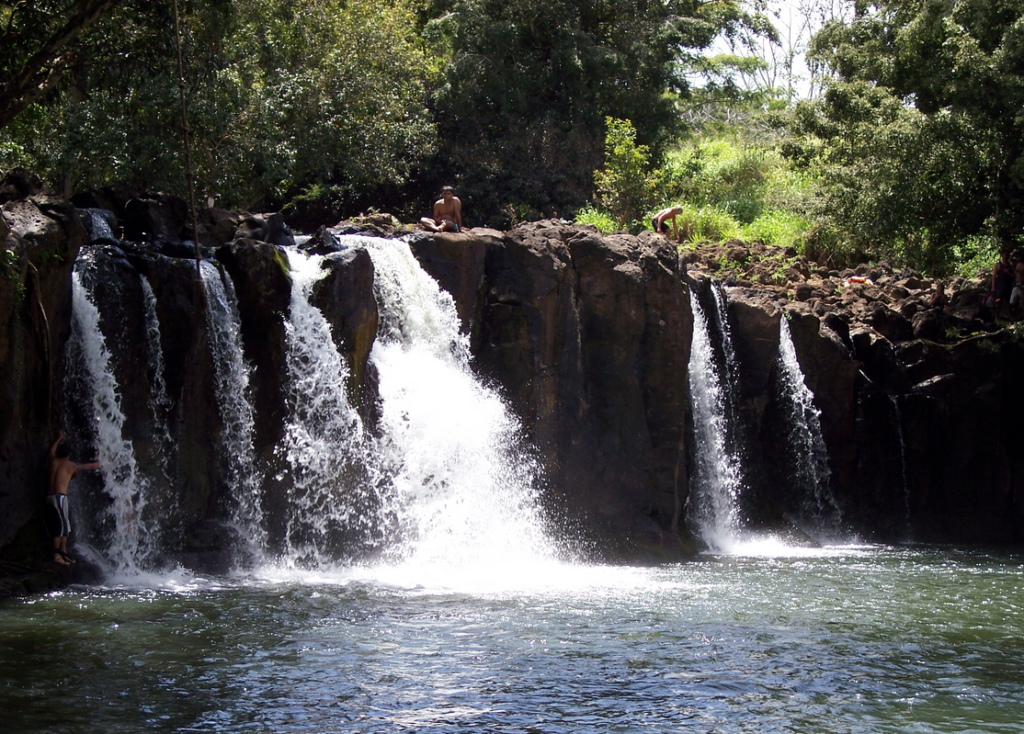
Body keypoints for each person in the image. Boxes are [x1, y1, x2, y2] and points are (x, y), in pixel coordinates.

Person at [45, 430, 101, 565]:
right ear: (69, 454)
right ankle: (57, 555)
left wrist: (58, 438)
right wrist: (102, 463)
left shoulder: (53, 461)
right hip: (60, 498)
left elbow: (51, 452)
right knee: (60, 527)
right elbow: (89, 466)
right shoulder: (70, 465)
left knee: (64, 525)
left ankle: (63, 553)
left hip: (50, 497)